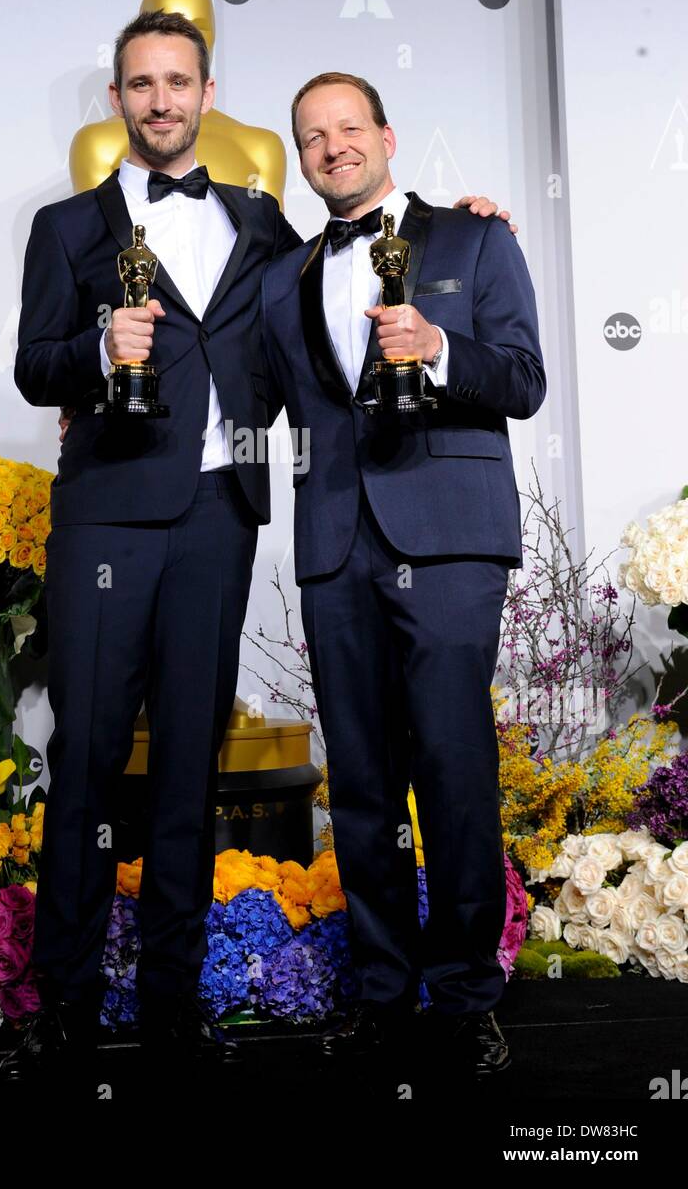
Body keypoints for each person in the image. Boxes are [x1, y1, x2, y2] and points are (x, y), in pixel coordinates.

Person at [6, 13, 512, 1085]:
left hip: (218, 519)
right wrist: (96, 349)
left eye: (177, 81)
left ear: (206, 94)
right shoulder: (65, 227)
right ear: (117, 100)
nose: (160, 100)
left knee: (190, 764)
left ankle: (174, 1006)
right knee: (86, 758)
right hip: (106, 514)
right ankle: (64, 1006)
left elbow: (364, 266)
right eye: (140, 84)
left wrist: (467, 220)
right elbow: (34, 365)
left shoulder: (265, 227)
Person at [260, 71, 546, 1079]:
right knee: (363, 782)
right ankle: (383, 995)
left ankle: (466, 996)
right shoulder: (283, 278)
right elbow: (238, 389)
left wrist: (438, 347)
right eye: (312, 137)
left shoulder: (476, 239)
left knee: (455, 771)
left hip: (451, 538)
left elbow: (523, 379)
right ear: (300, 159)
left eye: (349, 128)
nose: (332, 146)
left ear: (386, 136)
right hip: (337, 546)